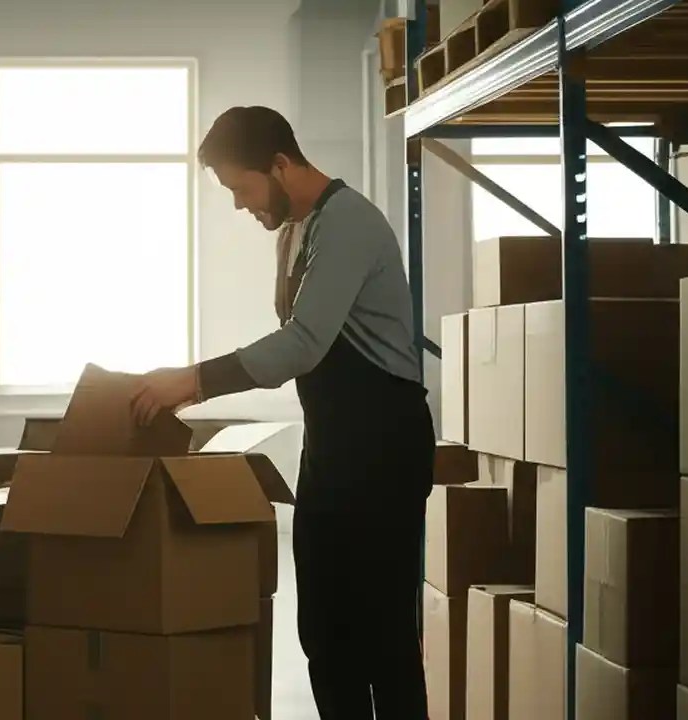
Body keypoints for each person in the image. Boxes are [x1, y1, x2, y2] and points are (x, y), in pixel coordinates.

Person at [131, 106, 434, 720]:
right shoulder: (296, 233)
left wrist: (191, 381)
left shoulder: (348, 223)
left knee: (384, 638)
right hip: (333, 447)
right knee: (323, 629)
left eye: (241, 187)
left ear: (279, 165)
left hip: (383, 446)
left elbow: (302, 344)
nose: (240, 205)